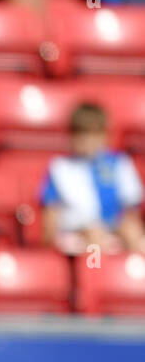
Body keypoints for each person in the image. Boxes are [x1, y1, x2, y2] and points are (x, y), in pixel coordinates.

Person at [41, 101, 145, 254]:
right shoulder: (60, 169)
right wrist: (48, 244)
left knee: (132, 231)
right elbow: (51, 215)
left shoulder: (119, 164)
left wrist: (127, 228)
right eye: (81, 134)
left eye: (92, 133)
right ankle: (96, 275)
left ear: (105, 135)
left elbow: (132, 209)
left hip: (113, 228)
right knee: (94, 235)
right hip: (75, 232)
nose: (86, 140)